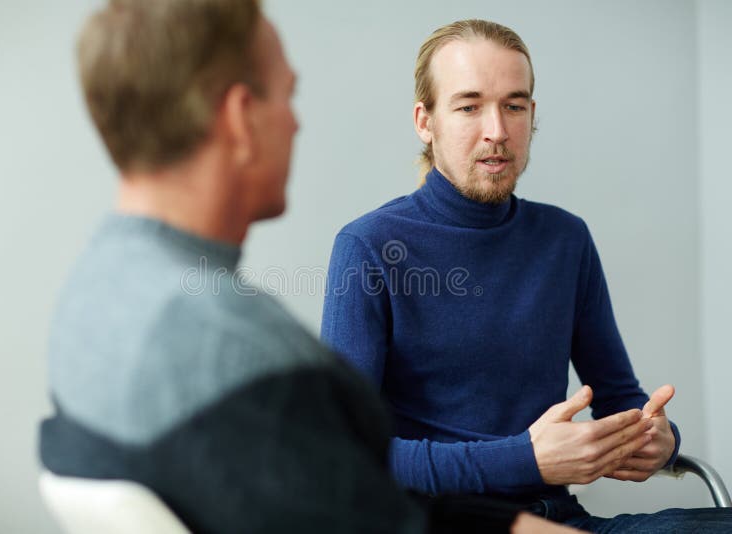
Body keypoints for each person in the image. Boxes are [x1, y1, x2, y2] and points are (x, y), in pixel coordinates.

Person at [37, 2, 574, 532]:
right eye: (287, 96)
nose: (295, 123)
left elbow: (359, 503)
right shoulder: (242, 355)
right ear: (241, 118)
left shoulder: (98, 287)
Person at [321, 18, 732, 531]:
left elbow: (620, 399)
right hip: (444, 522)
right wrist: (526, 459)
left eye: (513, 106)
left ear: (532, 115)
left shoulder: (565, 239)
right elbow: (342, 452)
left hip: (562, 519)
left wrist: (656, 439)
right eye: (469, 106)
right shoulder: (369, 247)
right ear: (426, 122)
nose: (497, 131)